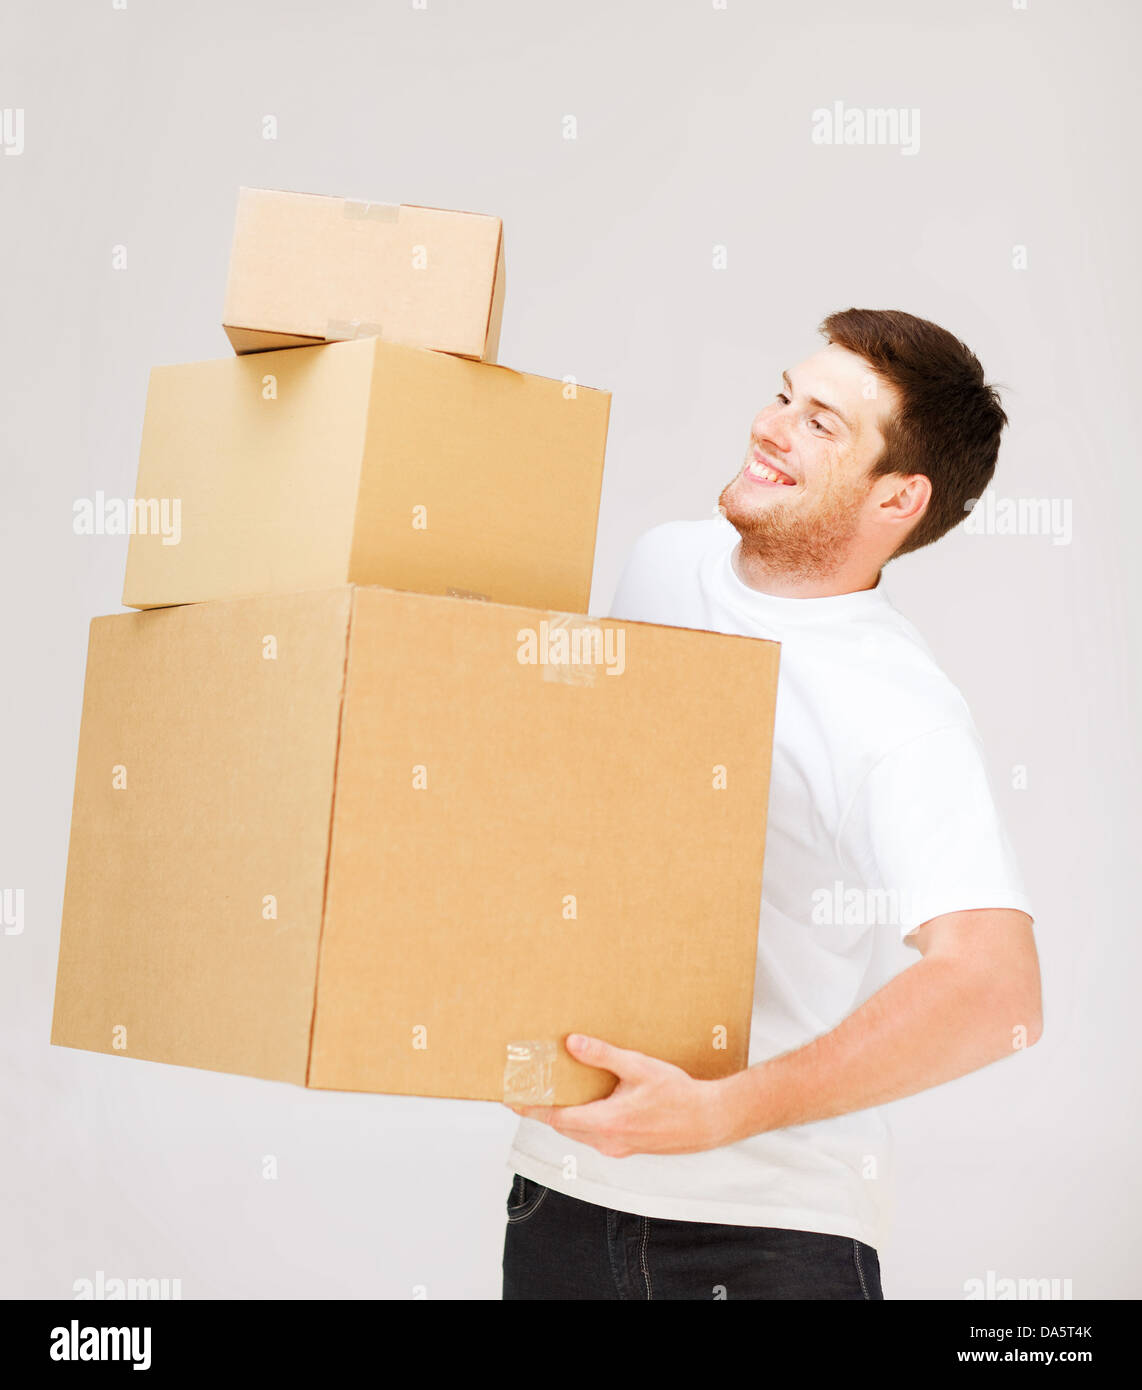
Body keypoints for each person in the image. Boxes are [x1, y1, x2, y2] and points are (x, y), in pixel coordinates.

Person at [502, 307, 1041, 1301]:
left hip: (763, 1234)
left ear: (896, 498)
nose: (770, 425)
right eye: (784, 394)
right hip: (559, 1189)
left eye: (821, 424)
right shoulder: (662, 561)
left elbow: (995, 991)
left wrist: (723, 1111)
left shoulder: (897, 708)